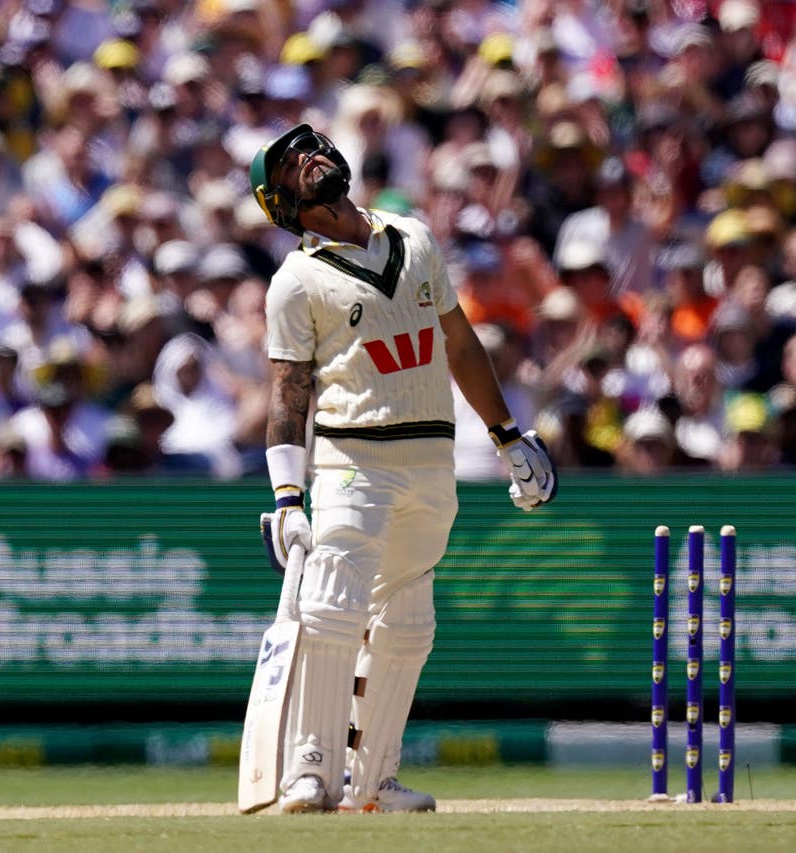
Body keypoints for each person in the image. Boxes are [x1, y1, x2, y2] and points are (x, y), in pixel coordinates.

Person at [249, 123, 557, 814]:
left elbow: (460, 342)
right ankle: (310, 769)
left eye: (314, 145)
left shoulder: (414, 237)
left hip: (431, 459)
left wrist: (509, 435)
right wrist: (288, 493)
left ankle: (374, 780)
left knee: (409, 620)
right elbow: (288, 393)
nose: (312, 156)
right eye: (293, 161)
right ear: (281, 201)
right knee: (331, 608)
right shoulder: (296, 281)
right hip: (351, 458)